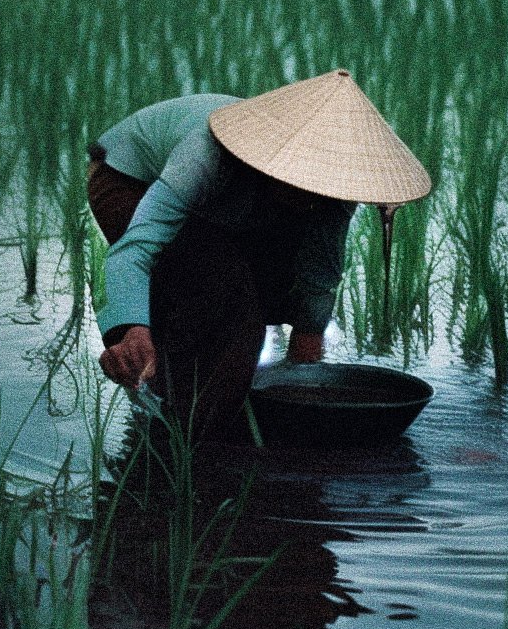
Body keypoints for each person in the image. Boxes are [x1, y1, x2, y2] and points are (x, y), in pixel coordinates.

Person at [89, 69, 431, 439]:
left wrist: (306, 361)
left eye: (320, 189)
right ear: (275, 159)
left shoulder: (333, 186)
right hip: (128, 178)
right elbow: (137, 247)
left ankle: (196, 399)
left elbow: (320, 268)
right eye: (302, 184)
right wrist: (131, 329)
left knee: (268, 283)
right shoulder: (206, 154)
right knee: (226, 291)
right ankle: (196, 434)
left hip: (226, 200)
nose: (314, 200)